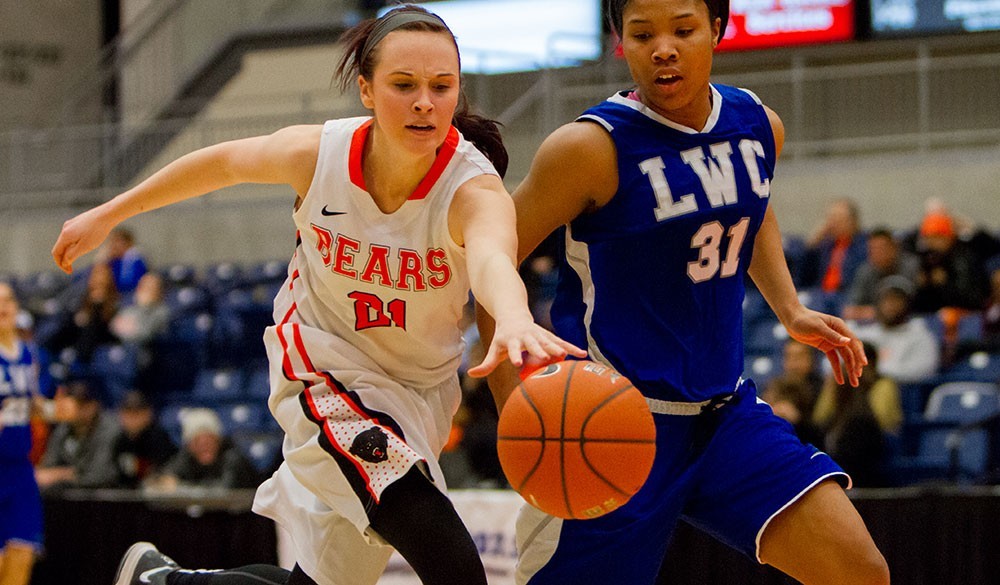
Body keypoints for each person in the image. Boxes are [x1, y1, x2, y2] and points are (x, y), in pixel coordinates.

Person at [52, 7, 583, 585]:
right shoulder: (319, 153)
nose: (424, 102)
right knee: (452, 563)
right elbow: (221, 163)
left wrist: (513, 315)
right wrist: (110, 213)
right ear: (367, 90)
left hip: (416, 395)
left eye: (441, 86)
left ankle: (162, 580)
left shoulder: (473, 189)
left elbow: (492, 259)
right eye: (404, 85)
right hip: (322, 369)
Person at [478, 0, 888, 583]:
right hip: (608, 426)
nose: (663, 48)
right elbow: (493, 259)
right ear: (621, 40)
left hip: (724, 416)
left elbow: (751, 201)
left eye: (683, 30)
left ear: (717, 30)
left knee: (859, 570)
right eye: (642, 34)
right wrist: (515, 411)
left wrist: (789, 307)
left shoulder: (757, 123)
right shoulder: (588, 148)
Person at [0, 283, 47, 585]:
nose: (2, 306)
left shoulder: (28, 352)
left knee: (23, 554)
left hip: (20, 469)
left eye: (7, 300)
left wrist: (56, 409)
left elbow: (34, 406)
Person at [852, 275, 940, 384]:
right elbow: (836, 364)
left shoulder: (920, 336)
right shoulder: (866, 333)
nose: (891, 305)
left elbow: (922, 371)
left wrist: (875, 372)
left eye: (897, 299)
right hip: (859, 389)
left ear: (908, 304)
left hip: (900, 390)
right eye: (887, 299)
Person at [35, 378, 120, 489]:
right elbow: (47, 469)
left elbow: (98, 475)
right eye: (75, 404)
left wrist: (62, 474)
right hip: (66, 494)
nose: (79, 410)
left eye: (84, 404)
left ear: (95, 405)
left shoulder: (110, 430)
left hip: (108, 494)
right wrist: (63, 474)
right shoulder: (63, 429)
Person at [146, 408, 258, 491]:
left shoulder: (233, 458)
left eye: (209, 440)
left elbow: (223, 491)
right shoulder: (185, 457)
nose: (204, 446)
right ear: (189, 446)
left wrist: (180, 487)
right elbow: (165, 478)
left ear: (218, 440)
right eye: (197, 442)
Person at [842, 226, 919, 321]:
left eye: (882, 248)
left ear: (894, 248)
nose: (877, 253)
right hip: (874, 324)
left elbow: (919, 305)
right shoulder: (865, 270)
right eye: (873, 250)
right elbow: (850, 310)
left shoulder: (912, 267)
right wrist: (878, 312)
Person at [802, 197, 868, 297]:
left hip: (845, 295)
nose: (832, 224)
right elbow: (805, 276)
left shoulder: (864, 246)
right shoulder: (826, 245)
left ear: (853, 221)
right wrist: (812, 246)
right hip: (820, 293)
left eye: (838, 219)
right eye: (830, 219)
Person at [112, 390, 178, 488]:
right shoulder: (119, 441)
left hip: (156, 492)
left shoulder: (158, 438)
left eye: (137, 413)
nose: (132, 419)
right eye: (128, 413)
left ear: (148, 413)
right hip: (128, 493)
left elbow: (167, 472)